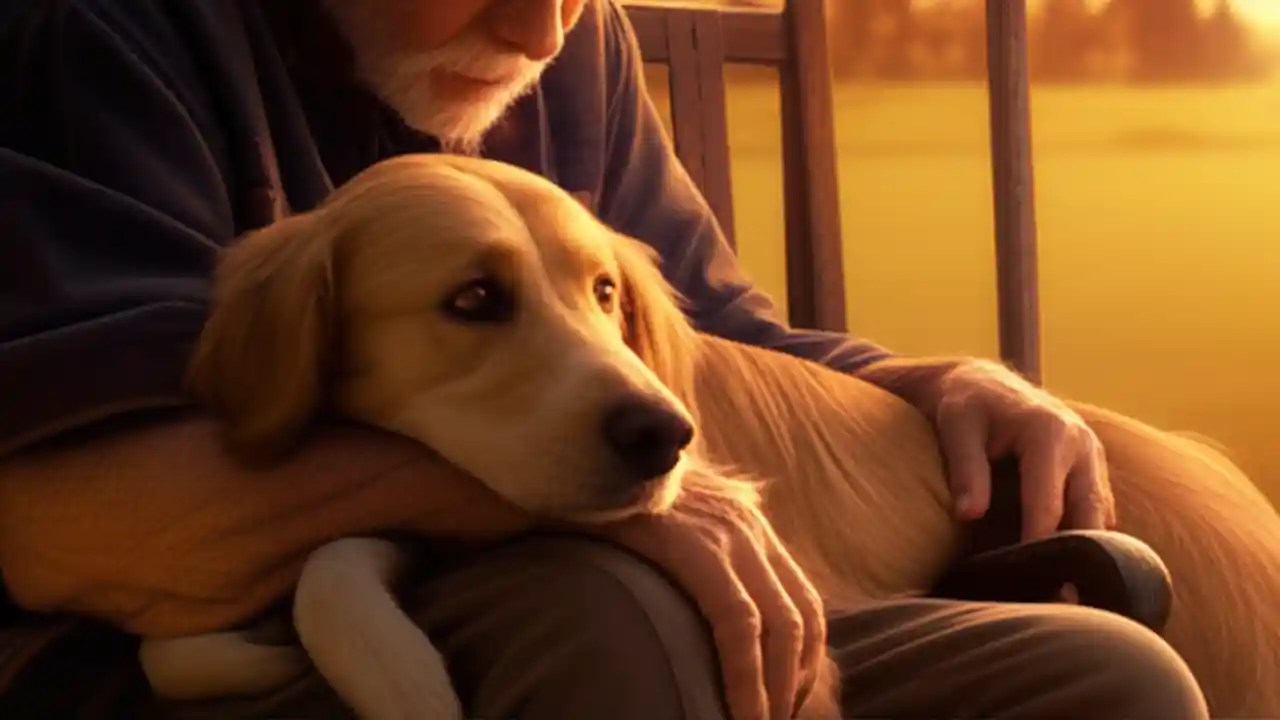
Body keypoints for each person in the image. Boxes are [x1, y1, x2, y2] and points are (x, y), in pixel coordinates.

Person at [0, 0, 1209, 718]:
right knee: (605, 610)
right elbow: (65, 521)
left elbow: (715, 334)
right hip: (178, 650)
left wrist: (936, 383)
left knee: (1101, 681)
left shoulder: (569, 45)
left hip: (572, 603)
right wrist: (563, 500)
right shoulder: (98, 38)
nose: (541, 28)